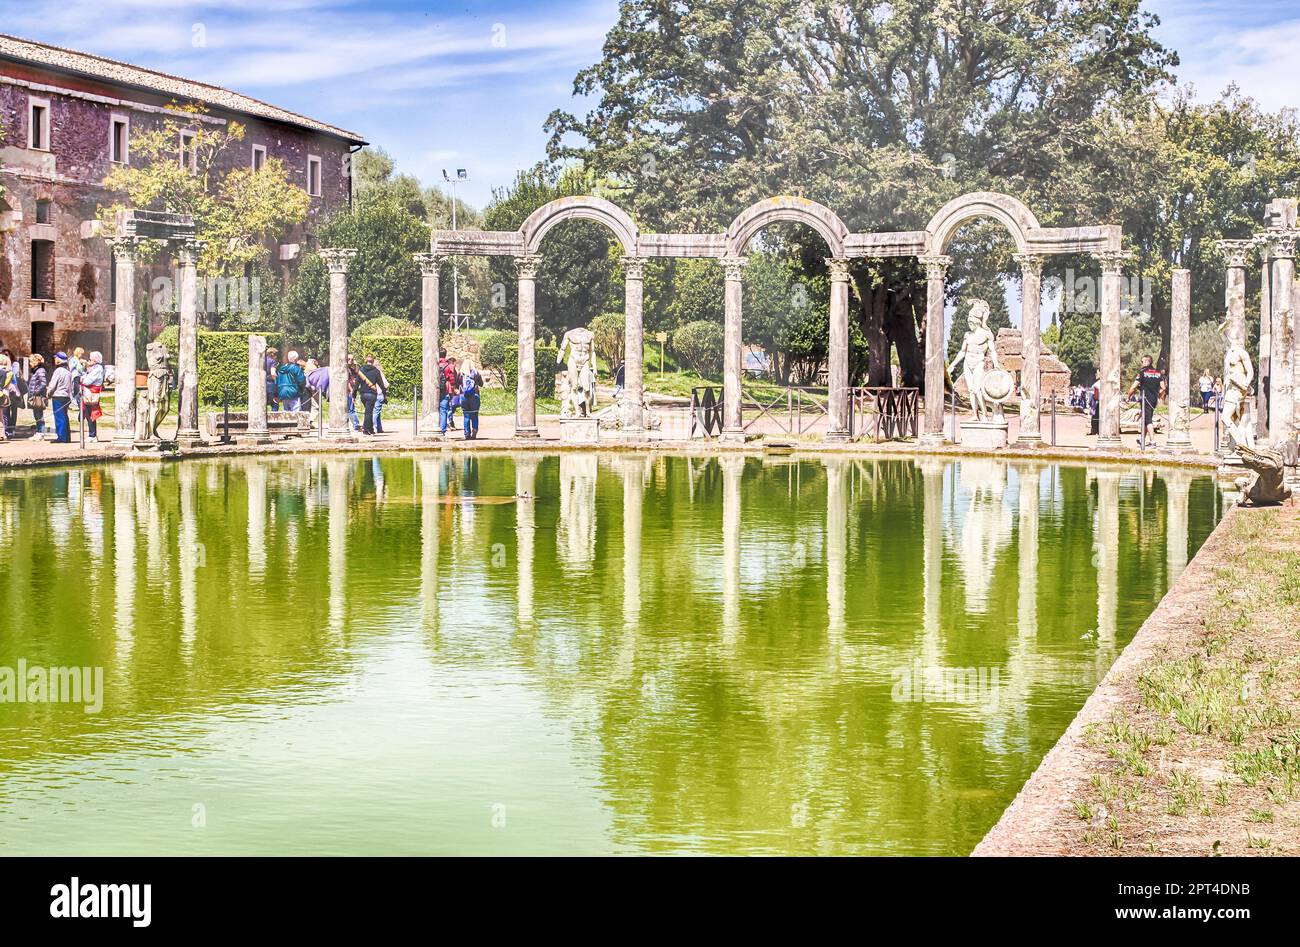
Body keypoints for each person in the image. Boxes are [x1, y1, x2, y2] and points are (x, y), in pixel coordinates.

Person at [1126, 354, 1165, 445]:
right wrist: (1159, 395)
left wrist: (1128, 397)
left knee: (1148, 420)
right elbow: (1163, 388)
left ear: (1147, 362)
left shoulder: (1142, 372)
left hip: (1145, 399)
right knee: (1146, 418)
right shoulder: (1158, 373)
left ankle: (1152, 441)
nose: (1141, 363)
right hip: (1153, 400)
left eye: (1142, 361)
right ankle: (1142, 439)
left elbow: (1133, 387)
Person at [47, 352, 74, 443]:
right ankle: (66, 437)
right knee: (64, 416)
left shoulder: (58, 371)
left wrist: (48, 393)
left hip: (58, 396)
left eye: (56, 358)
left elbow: (53, 385)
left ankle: (61, 437)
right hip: (66, 396)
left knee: (59, 417)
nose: (54, 360)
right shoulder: (68, 371)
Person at [355, 354, 385, 435]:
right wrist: (385, 395)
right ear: (373, 360)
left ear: (365, 360)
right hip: (372, 394)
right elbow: (381, 385)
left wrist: (354, 396)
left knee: (369, 411)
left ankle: (370, 429)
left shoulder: (361, 371)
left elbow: (356, 385)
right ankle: (365, 430)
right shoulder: (376, 371)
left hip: (363, 394)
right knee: (368, 412)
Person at [81, 351, 105, 442]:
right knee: (87, 413)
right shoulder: (92, 368)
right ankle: (91, 434)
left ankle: (92, 435)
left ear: (95, 360)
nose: (89, 361)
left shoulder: (98, 369)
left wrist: (83, 379)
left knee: (91, 413)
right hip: (88, 393)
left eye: (90, 359)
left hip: (92, 394)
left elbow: (87, 381)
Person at [27, 353, 48, 440]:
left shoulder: (40, 371)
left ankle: (41, 433)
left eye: (31, 361)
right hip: (34, 396)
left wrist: (36, 392)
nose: (29, 363)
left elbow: (43, 383)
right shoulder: (36, 371)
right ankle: (39, 431)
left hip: (38, 397)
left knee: (39, 415)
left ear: (35, 362)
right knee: (36, 415)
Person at [437, 348, 458, 435]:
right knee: (444, 409)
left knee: (435, 410)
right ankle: (442, 430)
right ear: (445, 355)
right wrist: (453, 389)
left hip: (434, 389)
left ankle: (435, 426)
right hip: (446, 389)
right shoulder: (449, 366)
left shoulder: (434, 364)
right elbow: (452, 380)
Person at [460, 360, 483, 439]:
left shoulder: (461, 374)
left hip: (464, 396)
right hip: (475, 396)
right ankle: (475, 431)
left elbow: (457, 384)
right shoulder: (476, 373)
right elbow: (481, 384)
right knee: (474, 415)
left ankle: (467, 434)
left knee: (466, 416)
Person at [306, 359, 330, 430]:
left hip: (311, 388)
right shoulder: (323, 370)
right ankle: (309, 422)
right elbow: (322, 382)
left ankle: (308, 422)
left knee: (313, 405)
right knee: (316, 406)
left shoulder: (318, 370)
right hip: (314, 388)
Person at [372, 357, 392, 434]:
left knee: (376, 412)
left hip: (372, 393)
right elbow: (386, 384)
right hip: (379, 394)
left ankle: (379, 427)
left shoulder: (370, 373)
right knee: (376, 412)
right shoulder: (379, 373)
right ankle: (373, 427)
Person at [346, 356, 362, 430]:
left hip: (352, 390)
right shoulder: (345, 370)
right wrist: (351, 390)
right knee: (350, 409)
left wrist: (355, 364)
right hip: (348, 391)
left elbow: (358, 372)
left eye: (352, 359)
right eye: (349, 359)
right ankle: (356, 424)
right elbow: (347, 381)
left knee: (350, 408)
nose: (350, 360)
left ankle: (355, 424)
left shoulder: (352, 369)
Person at [264, 347, 280, 411]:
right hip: (270, 384)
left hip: (262, 383)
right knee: (274, 403)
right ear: (273, 354)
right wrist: (277, 380)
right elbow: (273, 373)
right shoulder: (272, 361)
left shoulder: (263, 360)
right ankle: (274, 418)